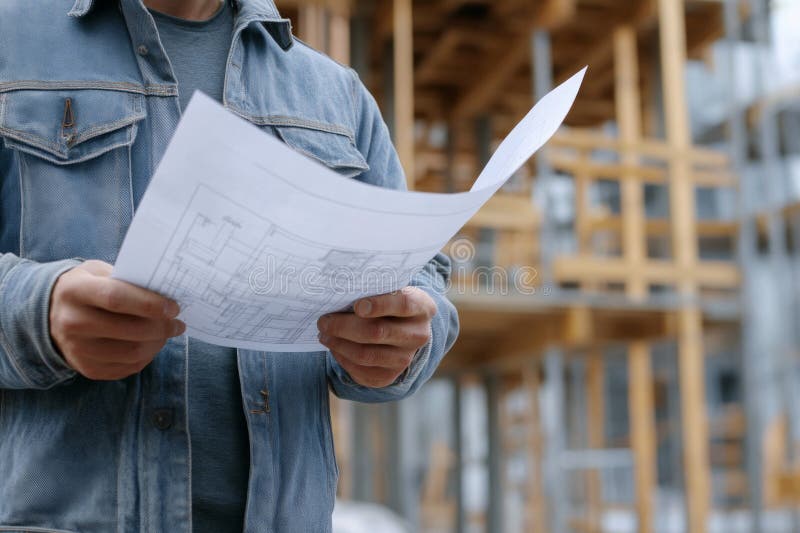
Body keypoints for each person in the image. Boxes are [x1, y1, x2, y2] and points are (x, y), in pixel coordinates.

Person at [0, 0, 459, 531]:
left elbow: (419, 276)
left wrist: (399, 336)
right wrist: (38, 313)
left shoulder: (334, 93)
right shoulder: (12, 45)